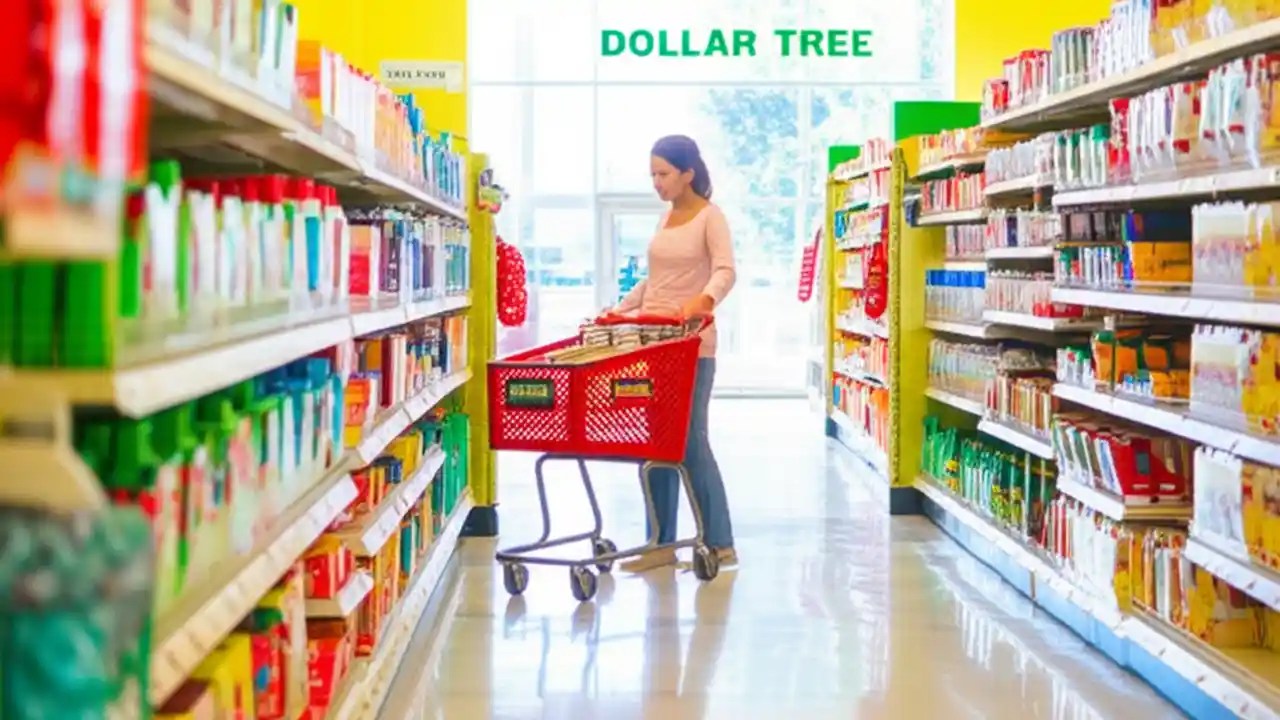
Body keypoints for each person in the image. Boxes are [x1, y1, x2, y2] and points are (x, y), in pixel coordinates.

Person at [612, 134, 737, 572]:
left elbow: (725, 270)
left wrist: (702, 303)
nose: (657, 183)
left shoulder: (709, 218)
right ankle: (660, 542)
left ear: (688, 174)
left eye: (663, 174)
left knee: (689, 442)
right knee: (654, 443)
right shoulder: (665, 221)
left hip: (690, 346)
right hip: (651, 343)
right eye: (652, 175)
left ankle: (720, 542)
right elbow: (656, 279)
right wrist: (622, 307)